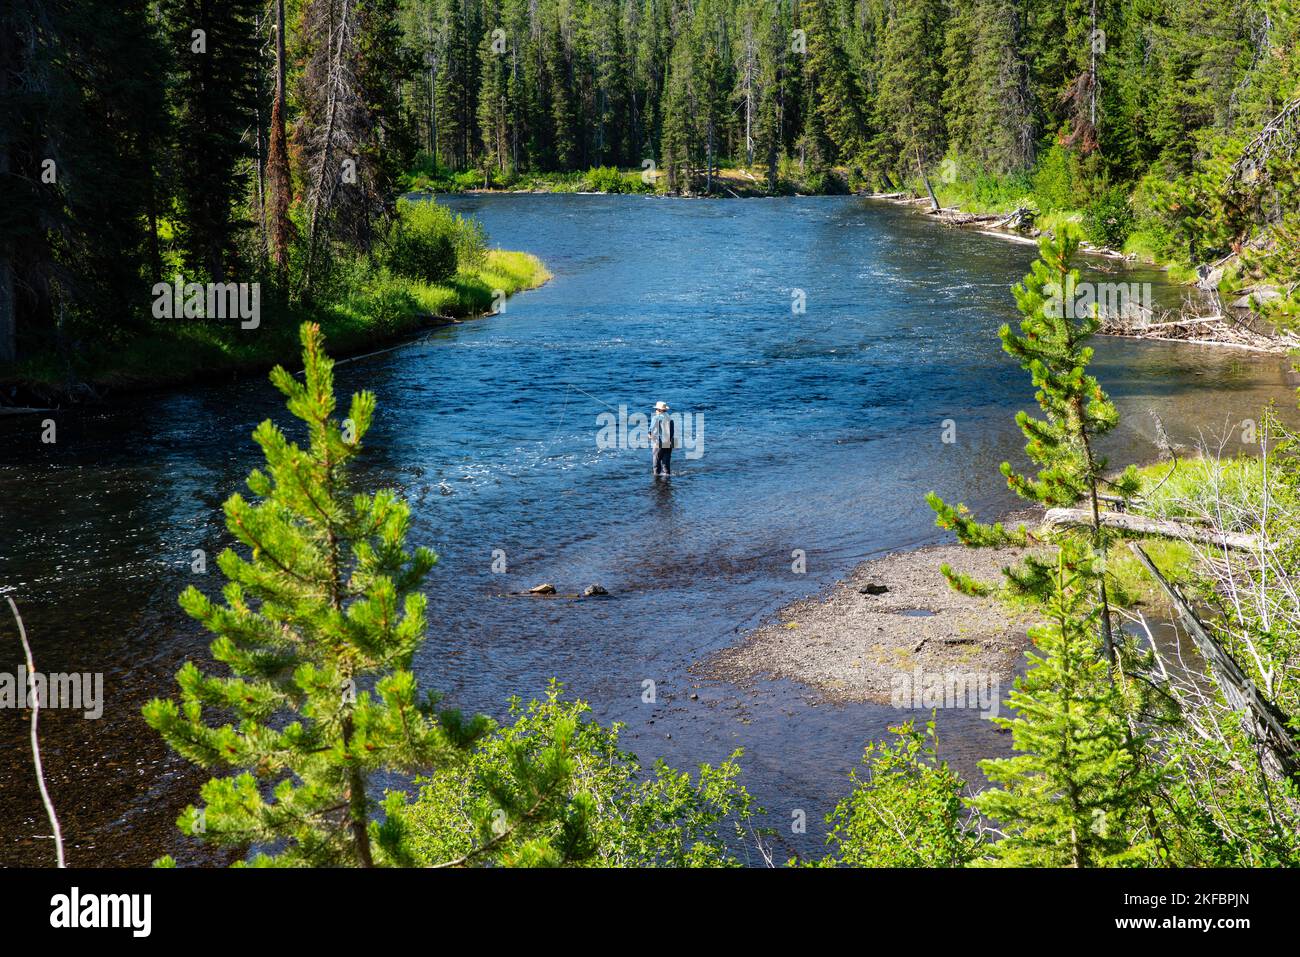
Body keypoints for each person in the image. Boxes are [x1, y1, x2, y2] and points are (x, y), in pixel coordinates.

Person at [650, 400, 674, 477]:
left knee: (656, 460)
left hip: (659, 442)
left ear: (659, 410)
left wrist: (650, 435)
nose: (655, 410)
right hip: (669, 442)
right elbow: (672, 431)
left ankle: (656, 477)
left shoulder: (656, 418)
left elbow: (651, 429)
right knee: (666, 463)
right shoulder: (670, 418)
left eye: (656, 409)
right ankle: (667, 478)